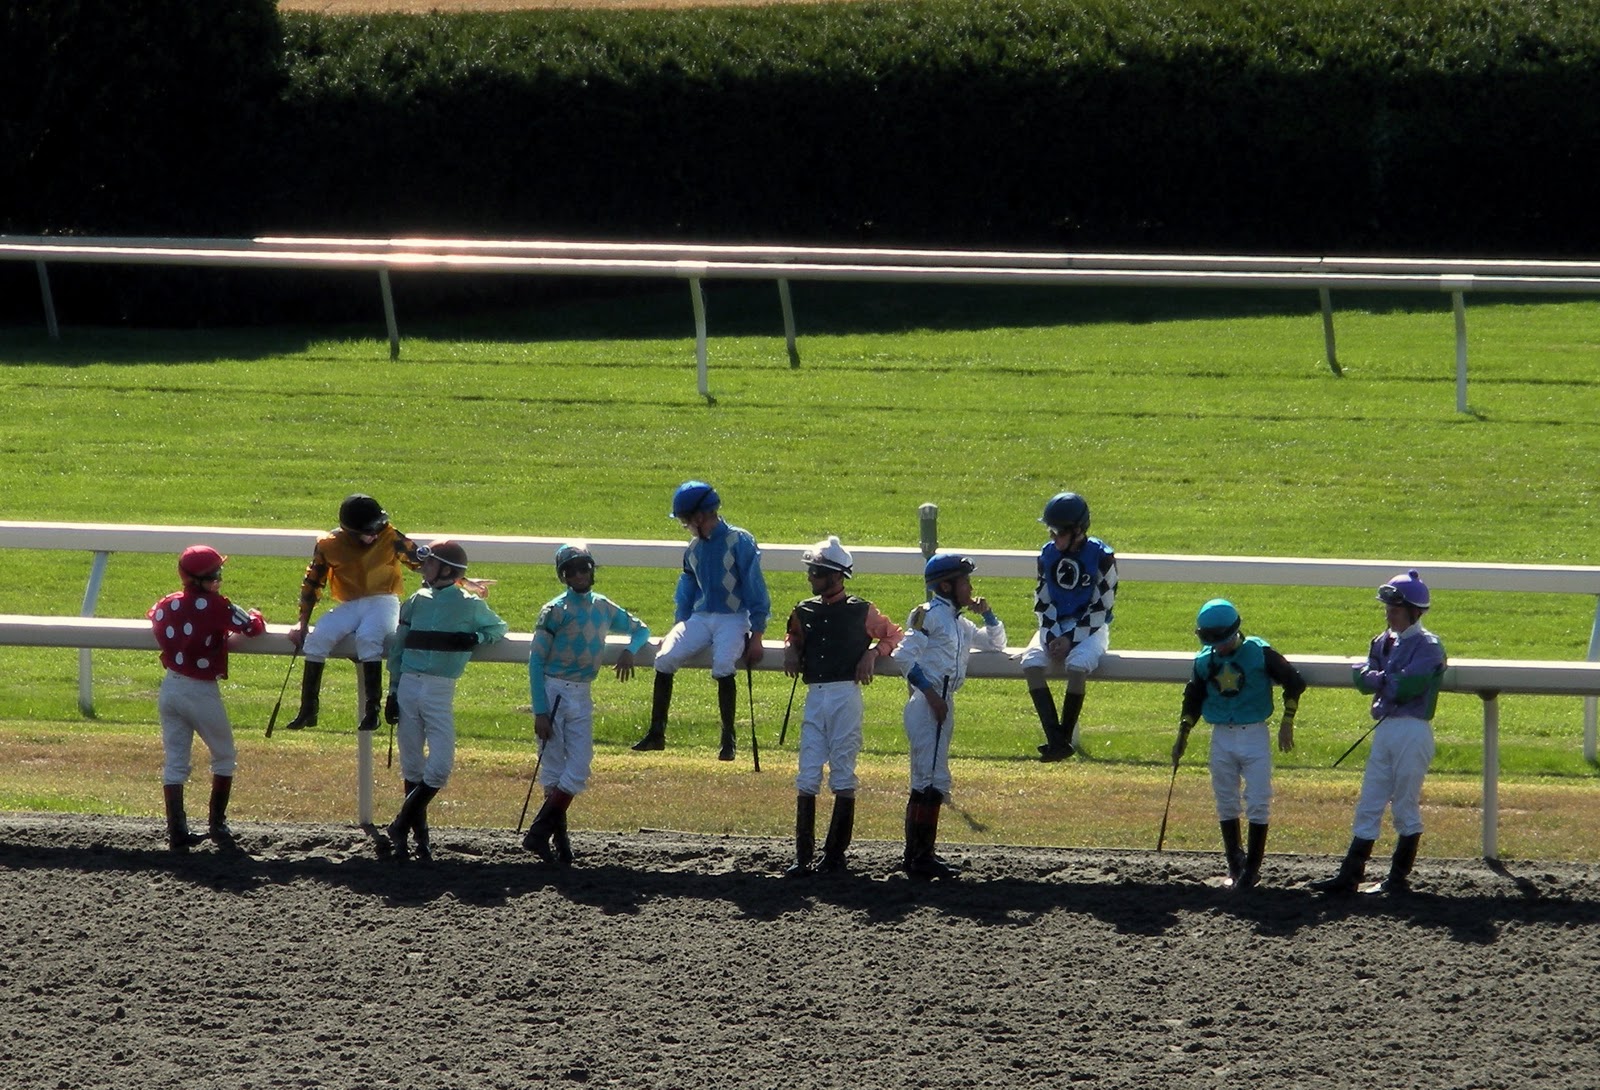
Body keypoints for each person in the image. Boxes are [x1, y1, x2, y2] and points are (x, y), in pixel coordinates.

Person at [1313, 569, 1447, 896]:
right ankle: (1350, 874)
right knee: (1369, 802)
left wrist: (1375, 678)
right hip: (1386, 729)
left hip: (1413, 732)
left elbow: (1402, 686)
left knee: (1404, 806)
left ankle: (1398, 879)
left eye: (1395, 609)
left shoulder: (1429, 646)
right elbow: (1368, 680)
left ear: (1415, 612)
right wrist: (1378, 678)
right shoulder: (1381, 641)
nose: (1389, 614)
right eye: (1387, 608)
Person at [376, 540, 507, 861]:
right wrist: (391, 692)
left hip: (438, 689)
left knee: (440, 766)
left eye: (429, 563)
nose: (423, 568)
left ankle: (400, 824)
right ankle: (417, 842)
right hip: (408, 686)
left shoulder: (469, 604)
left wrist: (474, 637)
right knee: (411, 765)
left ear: (446, 570)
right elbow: (399, 649)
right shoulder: (415, 601)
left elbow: (498, 628)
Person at [780, 536, 904, 876]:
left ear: (835, 575)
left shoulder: (863, 610)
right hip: (815, 695)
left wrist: (872, 653)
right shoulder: (803, 609)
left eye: (816, 571)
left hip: (844, 695)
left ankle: (834, 855)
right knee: (807, 773)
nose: (811, 577)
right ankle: (803, 857)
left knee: (842, 770)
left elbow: (894, 635)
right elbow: (793, 634)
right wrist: (791, 647)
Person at [523, 543, 652, 866]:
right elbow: (536, 661)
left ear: (592, 571)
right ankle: (559, 844)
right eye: (572, 571)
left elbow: (641, 629)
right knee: (553, 770)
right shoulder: (553, 611)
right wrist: (540, 710)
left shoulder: (604, 607)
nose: (579, 575)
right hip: (553, 693)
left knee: (578, 767)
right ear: (563, 576)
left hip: (582, 693)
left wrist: (629, 650)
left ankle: (539, 832)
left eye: (584, 569)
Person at [1171, 598, 1306, 891]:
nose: (1218, 647)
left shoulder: (1260, 653)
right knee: (1225, 800)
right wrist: (1183, 733)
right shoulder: (1204, 660)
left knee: (1258, 800)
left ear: (1235, 632)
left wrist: (1287, 721)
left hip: (1255, 735)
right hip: (1220, 736)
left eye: (1222, 640)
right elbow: (1192, 698)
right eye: (1212, 641)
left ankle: (1252, 869)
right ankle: (1235, 864)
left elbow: (1294, 681)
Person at [631, 480, 771, 761]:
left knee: (722, 665)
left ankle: (728, 739)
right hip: (701, 616)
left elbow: (755, 588)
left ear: (700, 516)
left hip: (733, 617)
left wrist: (757, 634)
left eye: (685, 520)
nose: (685, 526)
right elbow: (686, 590)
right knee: (665, 658)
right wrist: (677, 625)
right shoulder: (693, 548)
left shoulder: (739, 541)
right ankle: (657, 733)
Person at [891, 553, 1007, 880]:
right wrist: (929, 695)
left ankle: (919, 855)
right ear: (946, 585)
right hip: (929, 703)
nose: (971, 588)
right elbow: (904, 657)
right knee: (928, 780)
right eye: (965, 582)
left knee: (935, 779)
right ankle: (917, 857)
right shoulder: (928, 615)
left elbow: (996, 643)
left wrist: (989, 614)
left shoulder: (960, 623)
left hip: (944, 701)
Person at [148, 545, 267, 852]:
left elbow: (156, 617)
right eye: (213, 576)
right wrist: (256, 614)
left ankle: (177, 831)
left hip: (170, 689)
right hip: (200, 691)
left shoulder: (167, 604)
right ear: (195, 579)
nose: (218, 581)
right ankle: (217, 824)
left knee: (175, 762)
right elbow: (253, 626)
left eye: (218, 575)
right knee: (225, 755)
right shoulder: (218, 606)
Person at [282, 494, 425, 733]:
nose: (375, 535)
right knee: (318, 639)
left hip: (383, 600)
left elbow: (424, 562)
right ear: (349, 531)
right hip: (350, 604)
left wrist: (461, 580)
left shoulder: (390, 536)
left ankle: (373, 711)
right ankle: (308, 709)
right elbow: (313, 583)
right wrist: (302, 622)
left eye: (378, 528)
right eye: (369, 531)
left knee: (368, 638)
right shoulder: (329, 544)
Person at [1022, 491, 1116, 761]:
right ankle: (1056, 739)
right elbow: (1042, 600)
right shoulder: (1047, 555)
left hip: (1092, 629)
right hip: (1053, 625)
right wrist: (1053, 634)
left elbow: (1102, 608)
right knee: (1030, 664)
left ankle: (1062, 739)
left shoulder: (1102, 557)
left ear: (1077, 530)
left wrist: (1071, 639)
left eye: (1057, 531)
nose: (1052, 537)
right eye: (1050, 530)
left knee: (1077, 667)